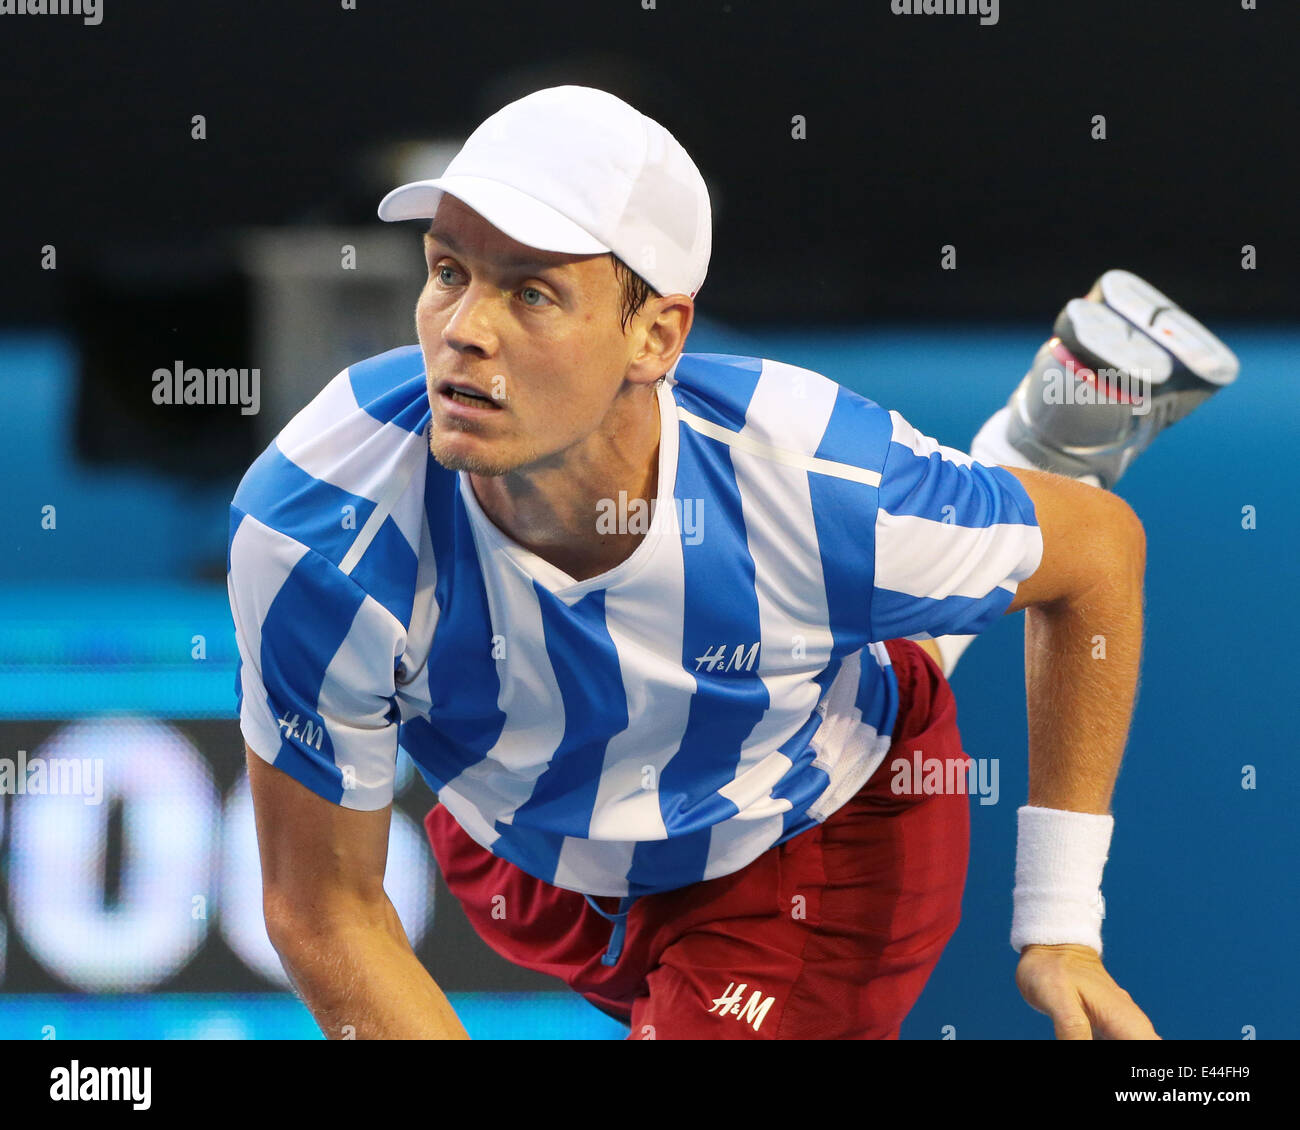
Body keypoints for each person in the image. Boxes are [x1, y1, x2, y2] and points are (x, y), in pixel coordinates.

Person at [228, 85, 1236, 1040]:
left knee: (838, 601)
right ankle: (1037, 449)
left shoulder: (819, 480)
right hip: (532, 845)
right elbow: (323, 909)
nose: (460, 331)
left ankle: (1044, 463)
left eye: (530, 292)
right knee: (806, 609)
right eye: (447, 271)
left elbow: (1099, 554)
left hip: (808, 850)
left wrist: (1059, 919)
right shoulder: (314, 526)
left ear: (654, 333)